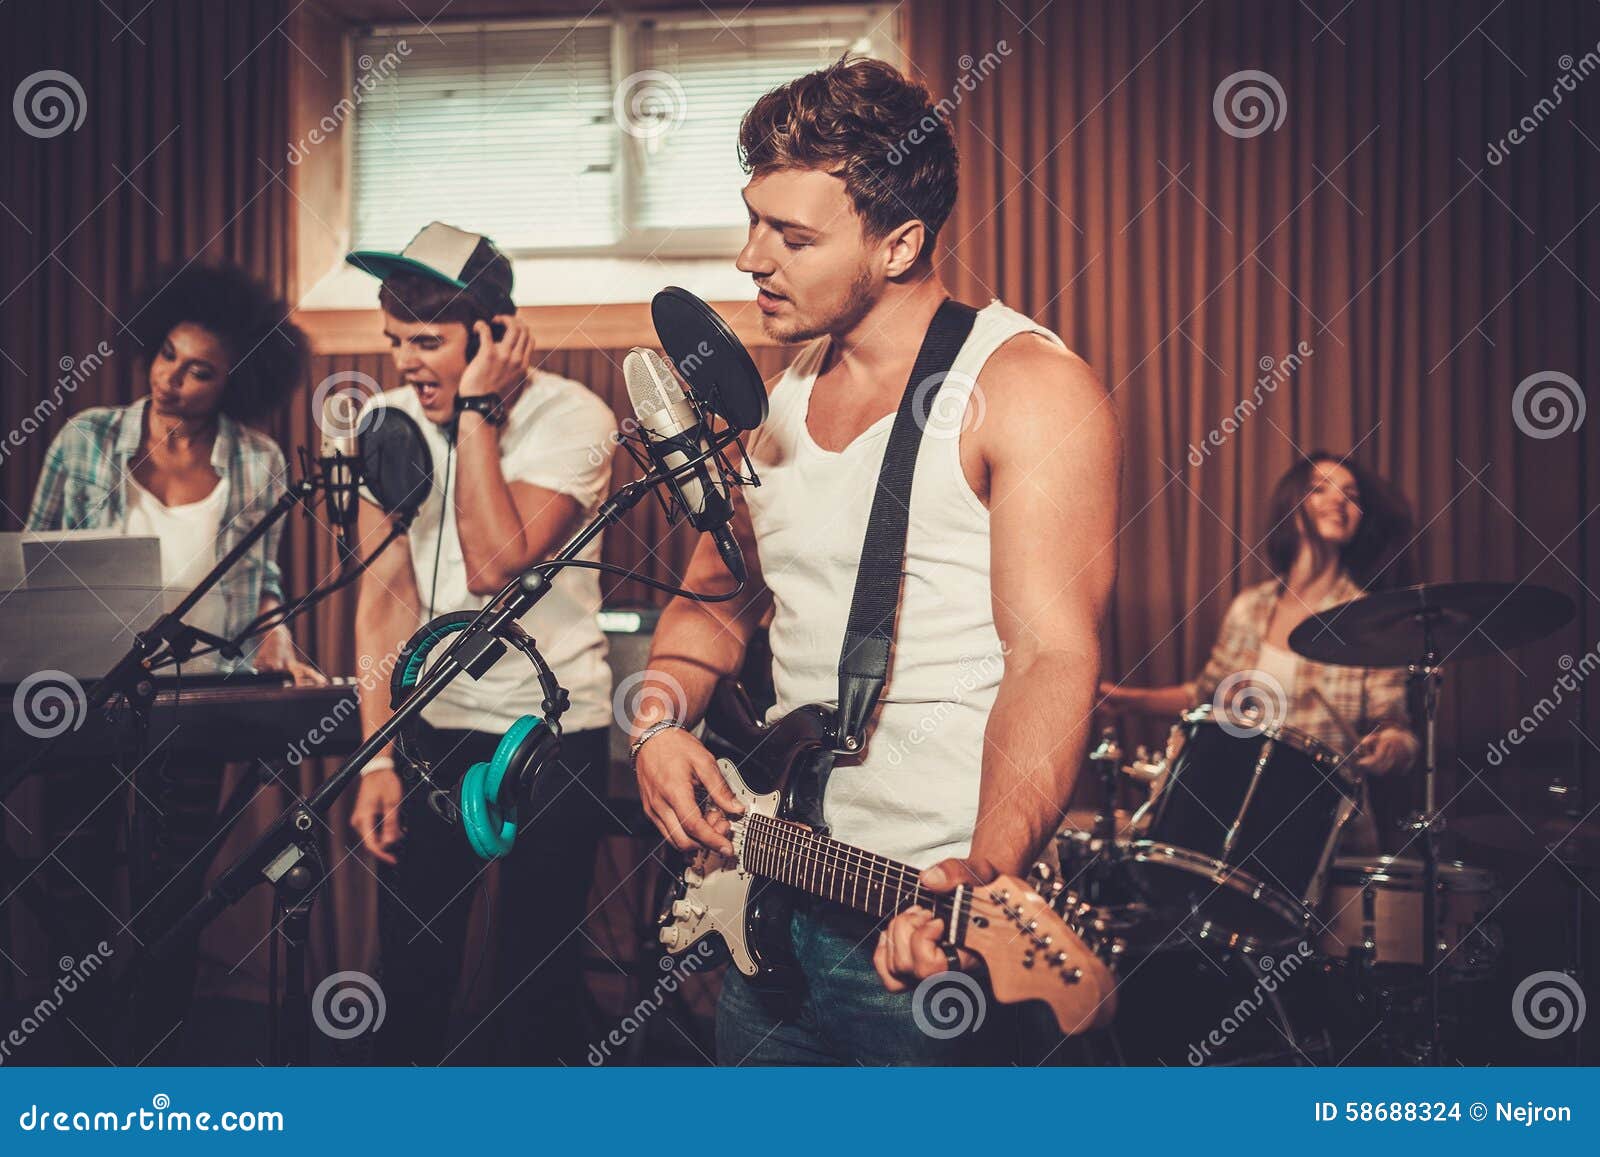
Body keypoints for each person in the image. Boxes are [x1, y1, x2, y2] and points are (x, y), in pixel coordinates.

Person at [629, 60, 1120, 1064]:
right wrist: (660, 720)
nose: (749, 259)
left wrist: (981, 879)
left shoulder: (1025, 387)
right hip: (769, 894)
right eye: (753, 220)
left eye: (793, 237)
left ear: (899, 243)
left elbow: (1051, 657)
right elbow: (708, 606)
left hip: (924, 921)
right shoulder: (770, 402)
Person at [25, 261, 319, 1060]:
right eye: (165, 355)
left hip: (196, 707)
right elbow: (35, 577)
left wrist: (278, 638)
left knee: (174, 898)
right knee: (72, 889)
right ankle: (72, 1059)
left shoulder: (258, 463)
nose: (172, 379)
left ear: (235, 380)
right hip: (86, 701)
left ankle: (156, 1055)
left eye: (200, 369)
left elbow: (262, 584)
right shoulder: (85, 438)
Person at [344, 222, 618, 1065]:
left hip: (554, 732)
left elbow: (495, 563)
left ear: (495, 334)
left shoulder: (576, 418)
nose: (406, 363)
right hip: (432, 724)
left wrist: (474, 414)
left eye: (427, 341)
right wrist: (378, 756)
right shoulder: (384, 423)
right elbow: (383, 597)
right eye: (395, 342)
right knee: (412, 971)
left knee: (535, 979)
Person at [1098, 451, 1420, 851]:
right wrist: (1130, 701)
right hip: (1236, 816)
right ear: (1293, 505)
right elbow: (1205, 696)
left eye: (1350, 495)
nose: (1339, 500)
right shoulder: (1250, 609)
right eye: (1321, 489)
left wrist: (1390, 744)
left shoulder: (1369, 620)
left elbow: (1398, 731)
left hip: (1327, 827)